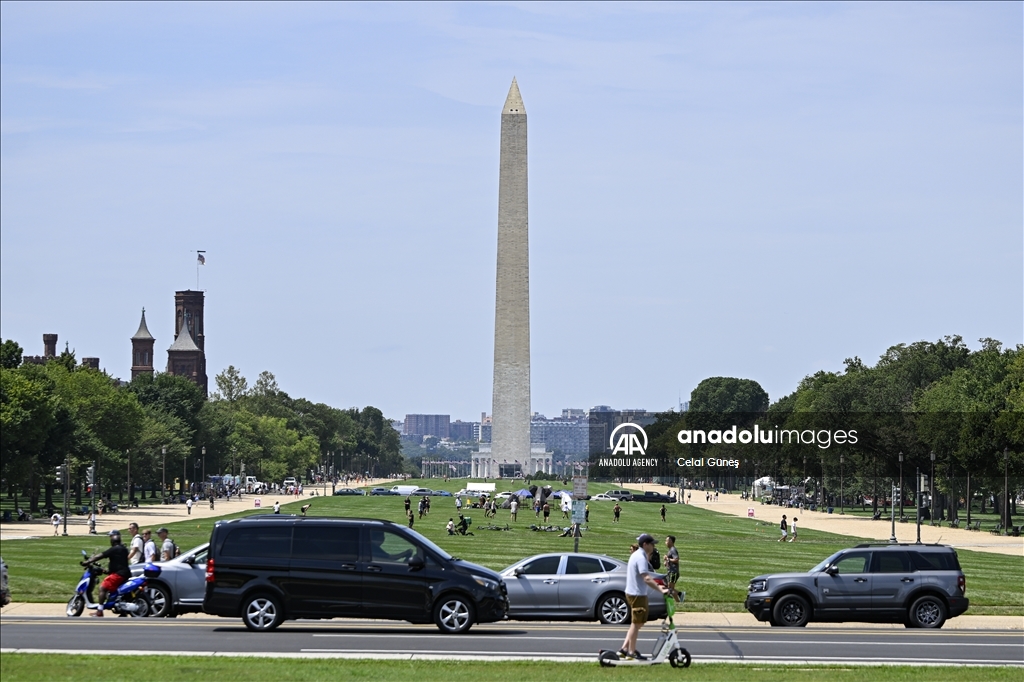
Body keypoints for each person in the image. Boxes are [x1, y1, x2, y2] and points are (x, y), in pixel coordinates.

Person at [618, 534, 669, 659]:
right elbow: (646, 578)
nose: (654, 546)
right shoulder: (640, 557)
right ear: (645, 544)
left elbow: (645, 577)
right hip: (637, 594)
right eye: (652, 544)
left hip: (633, 592)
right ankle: (631, 652)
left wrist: (658, 586)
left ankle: (624, 649)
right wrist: (659, 590)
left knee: (637, 623)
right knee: (637, 623)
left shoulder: (636, 555)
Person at [83, 530, 131, 617]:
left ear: (113, 539)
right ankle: (122, 611)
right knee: (116, 592)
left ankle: (100, 611)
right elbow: (119, 563)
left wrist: (88, 561)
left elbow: (100, 555)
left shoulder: (114, 549)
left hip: (119, 574)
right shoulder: (124, 549)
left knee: (103, 588)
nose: (110, 539)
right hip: (125, 573)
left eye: (110, 537)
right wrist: (107, 571)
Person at [664, 535, 680, 600]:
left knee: (670, 589)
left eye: (667, 540)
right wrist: (666, 562)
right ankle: (679, 600)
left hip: (673, 571)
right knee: (670, 589)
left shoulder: (673, 549)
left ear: (671, 541)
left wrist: (668, 559)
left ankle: (680, 596)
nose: (666, 542)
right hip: (671, 571)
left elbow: (676, 559)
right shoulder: (670, 550)